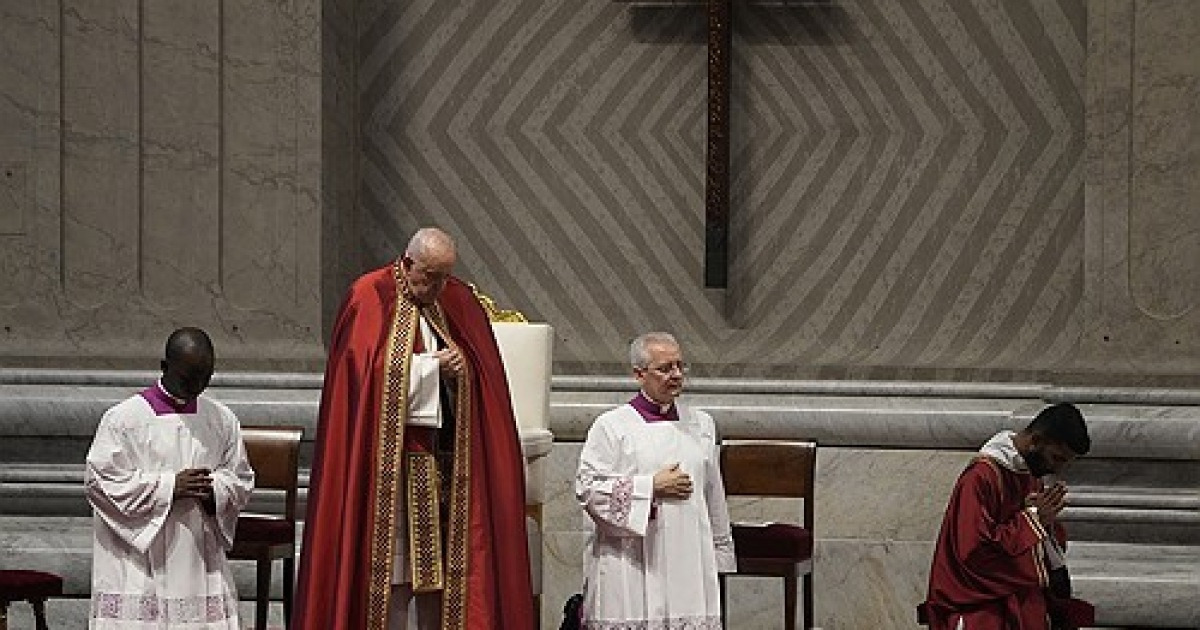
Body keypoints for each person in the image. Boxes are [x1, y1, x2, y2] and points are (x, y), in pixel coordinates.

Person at [294, 227, 535, 630]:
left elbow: (483, 375)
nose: (438, 287)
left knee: (435, 577)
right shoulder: (368, 295)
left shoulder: (456, 299)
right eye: (430, 276)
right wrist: (429, 368)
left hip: (442, 462)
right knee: (389, 572)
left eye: (444, 276)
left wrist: (463, 369)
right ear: (407, 264)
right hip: (382, 466)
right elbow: (361, 379)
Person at [85, 327, 254, 629]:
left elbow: (240, 478)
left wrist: (213, 490)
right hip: (139, 559)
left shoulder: (221, 419)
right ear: (165, 367)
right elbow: (101, 483)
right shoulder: (124, 419)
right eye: (189, 378)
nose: (198, 387)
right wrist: (169, 487)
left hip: (198, 553)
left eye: (206, 377)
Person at [575, 332, 736, 629]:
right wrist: (650, 487)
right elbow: (589, 489)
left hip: (688, 558)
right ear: (639, 374)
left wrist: (720, 552)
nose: (676, 375)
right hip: (632, 560)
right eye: (665, 368)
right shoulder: (612, 426)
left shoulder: (701, 423)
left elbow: (712, 491)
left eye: (680, 366)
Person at [920, 403, 1096, 630]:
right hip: (982, 611)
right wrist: (1032, 521)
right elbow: (972, 553)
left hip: (1022, 608)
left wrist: (1046, 525)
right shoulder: (980, 478)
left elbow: (1038, 544)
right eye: (1057, 458)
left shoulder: (1030, 475)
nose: (1057, 469)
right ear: (1035, 441)